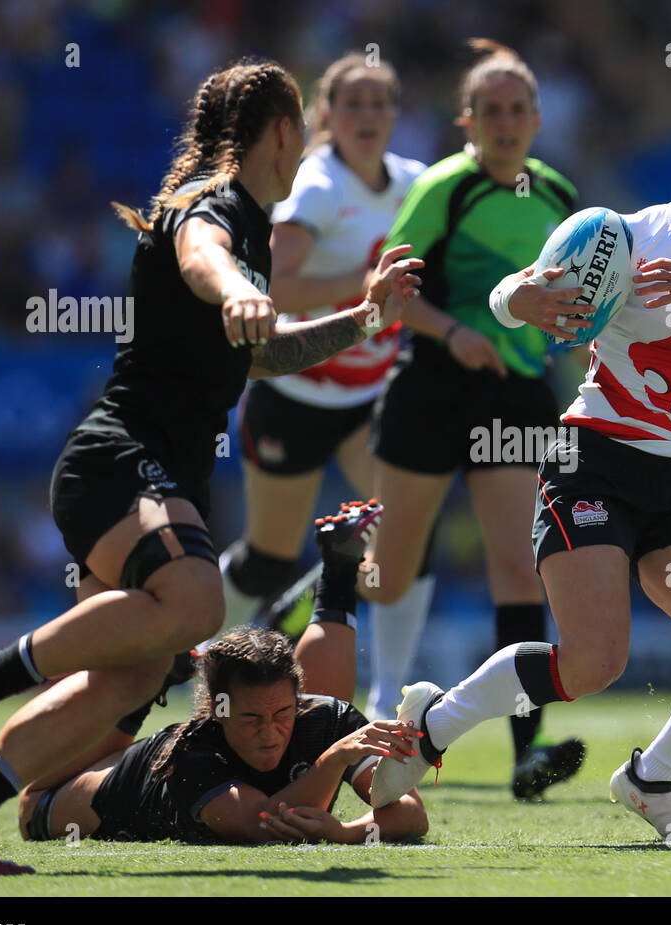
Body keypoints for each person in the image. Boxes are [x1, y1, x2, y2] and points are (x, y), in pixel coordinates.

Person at [0, 58, 422, 875]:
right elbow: (198, 256)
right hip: (119, 460)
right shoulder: (211, 209)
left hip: (153, 475)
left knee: (129, 680)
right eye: (303, 136)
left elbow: (259, 355)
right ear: (285, 131)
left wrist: (361, 318)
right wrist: (233, 291)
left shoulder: (252, 224)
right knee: (196, 600)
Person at [370, 112, 671, 844]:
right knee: (594, 662)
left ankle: (652, 780)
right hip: (594, 461)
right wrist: (522, 302)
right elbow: (510, 294)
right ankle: (432, 726)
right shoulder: (625, 231)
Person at [353, 38, 588, 799]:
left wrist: (587, 369)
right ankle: (370, 677)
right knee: (390, 562)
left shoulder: (558, 195)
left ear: (537, 118)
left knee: (519, 568)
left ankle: (528, 748)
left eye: (518, 110)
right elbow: (385, 287)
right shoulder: (445, 189)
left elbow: (586, 305)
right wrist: (452, 328)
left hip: (516, 398)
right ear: (468, 120)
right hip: (431, 386)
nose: (506, 122)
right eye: (491, 111)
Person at [217, 54, 437, 722]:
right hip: (296, 392)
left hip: (372, 395)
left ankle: (390, 695)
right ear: (326, 115)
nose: (368, 116)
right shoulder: (314, 186)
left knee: (407, 534)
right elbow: (273, 287)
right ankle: (190, 656)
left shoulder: (418, 183)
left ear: (397, 115)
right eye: (354, 103)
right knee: (267, 558)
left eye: (380, 103)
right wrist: (367, 286)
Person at [19, 509, 426, 848]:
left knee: (322, 718)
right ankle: (149, 677)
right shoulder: (193, 753)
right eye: (251, 719)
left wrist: (346, 832)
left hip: (292, 736)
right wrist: (332, 760)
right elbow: (258, 825)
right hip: (53, 800)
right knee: (40, 792)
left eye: (284, 712)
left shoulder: (326, 718)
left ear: (298, 699)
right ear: (219, 711)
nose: (270, 732)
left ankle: (338, 574)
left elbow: (411, 814)